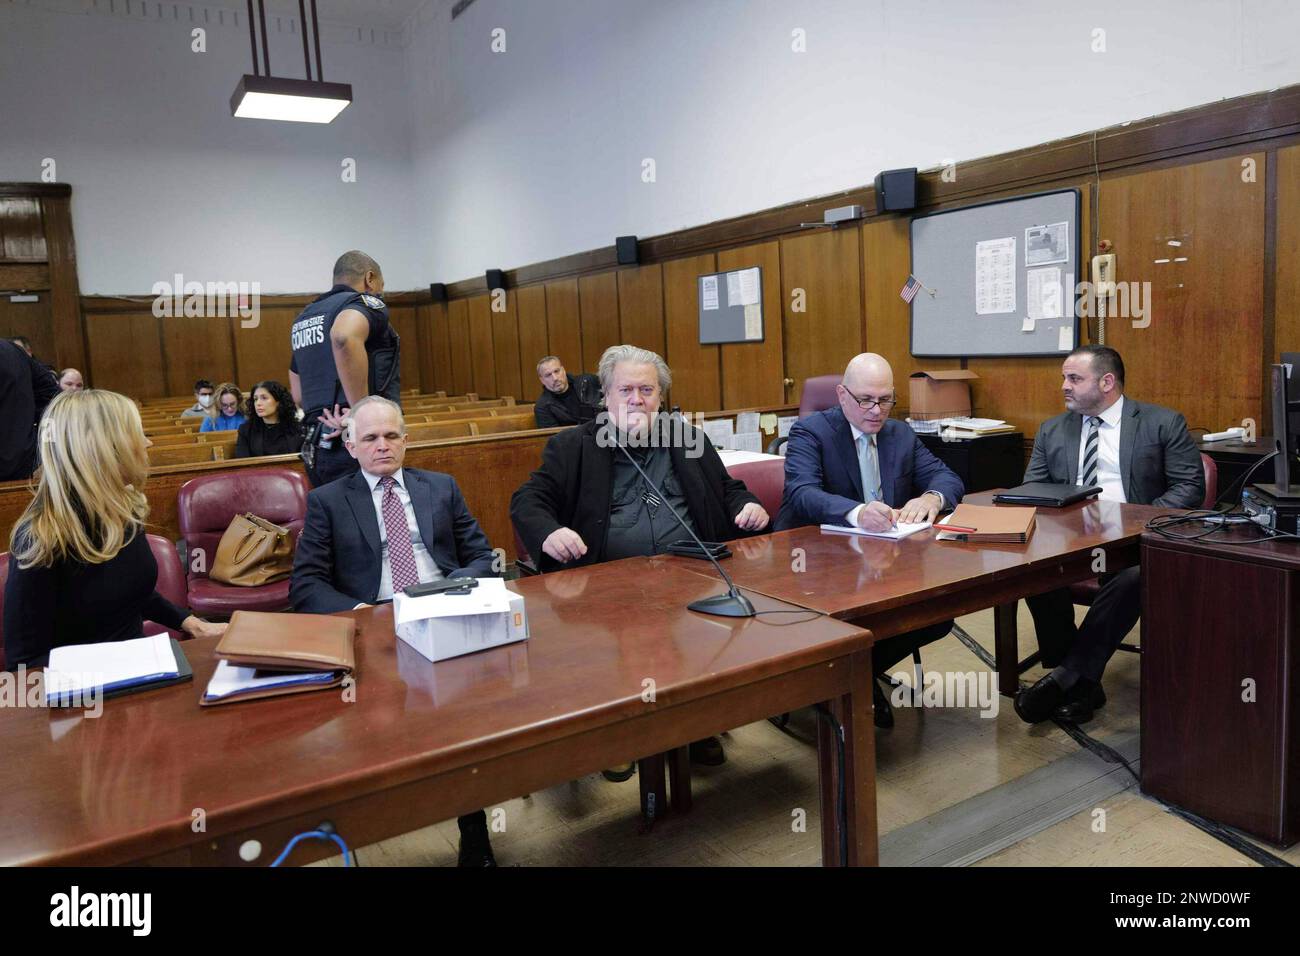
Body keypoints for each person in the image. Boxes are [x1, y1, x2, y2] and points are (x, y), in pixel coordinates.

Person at [511, 344, 768, 765]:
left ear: (661, 397)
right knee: (629, 648)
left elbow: (729, 490)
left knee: (707, 639)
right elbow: (529, 500)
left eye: (646, 390)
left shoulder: (687, 439)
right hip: (606, 591)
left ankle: (689, 727)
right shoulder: (574, 446)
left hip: (691, 580)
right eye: (625, 390)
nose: (636, 400)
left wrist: (747, 506)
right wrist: (550, 531)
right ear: (605, 397)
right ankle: (625, 732)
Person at [289, 395, 497, 866]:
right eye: (370, 438)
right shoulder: (328, 501)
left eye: (391, 436)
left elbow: (481, 555)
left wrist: (456, 590)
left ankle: (474, 828)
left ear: (405, 440)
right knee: (379, 728)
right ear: (350, 445)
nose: (382, 446)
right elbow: (306, 586)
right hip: (375, 626)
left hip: (441, 617)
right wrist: (366, 613)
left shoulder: (440, 487)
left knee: (462, 723)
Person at [773, 352, 965, 728]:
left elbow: (947, 477)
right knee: (851, 616)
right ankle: (847, 681)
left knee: (937, 614)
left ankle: (854, 675)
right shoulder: (811, 432)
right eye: (866, 400)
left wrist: (931, 498)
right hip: (817, 562)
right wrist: (858, 512)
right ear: (842, 395)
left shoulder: (900, 434)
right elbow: (802, 493)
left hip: (884, 558)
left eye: (886, 400)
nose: (877, 410)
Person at [1015, 345, 1204, 725]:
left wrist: (1130, 523)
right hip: (1072, 541)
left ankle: (1065, 677)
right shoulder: (1052, 429)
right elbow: (1032, 488)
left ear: (1107, 382)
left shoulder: (1162, 423)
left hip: (1134, 542)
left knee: (1133, 578)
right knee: (1032, 574)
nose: (1064, 386)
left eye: (1074, 378)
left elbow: (1189, 488)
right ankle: (1080, 680)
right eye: (1064, 378)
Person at [4, 390, 226, 669]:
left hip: (138, 672)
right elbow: (24, 663)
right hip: (84, 697)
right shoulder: (40, 539)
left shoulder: (122, 510)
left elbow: (131, 593)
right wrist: (121, 666)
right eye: (136, 434)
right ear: (103, 449)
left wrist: (192, 623)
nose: (148, 442)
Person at [289, 251, 401, 488]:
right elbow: (343, 336)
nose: (381, 291)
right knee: (371, 522)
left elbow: (298, 395)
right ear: (370, 279)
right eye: (382, 284)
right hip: (360, 441)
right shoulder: (363, 303)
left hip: (317, 445)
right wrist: (362, 412)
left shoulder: (304, 318)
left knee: (340, 522)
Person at [0, 338, 60, 482]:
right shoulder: (12, 351)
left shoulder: (11, 352)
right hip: (22, 466)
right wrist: (46, 445)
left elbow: (52, 396)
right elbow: (53, 397)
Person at [235, 380, 303, 458]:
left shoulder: (297, 428)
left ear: (278, 402)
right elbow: (242, 462)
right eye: (255, 399)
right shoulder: (246, 430)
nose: (258, 403)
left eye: (264, 398)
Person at [533, 355, 600, 428]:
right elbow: (553, 438)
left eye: (557, 371)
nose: (555, 378)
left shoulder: (588, 382)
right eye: (548, 375)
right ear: (542, 380)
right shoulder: (542, 407)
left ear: (563, 370)